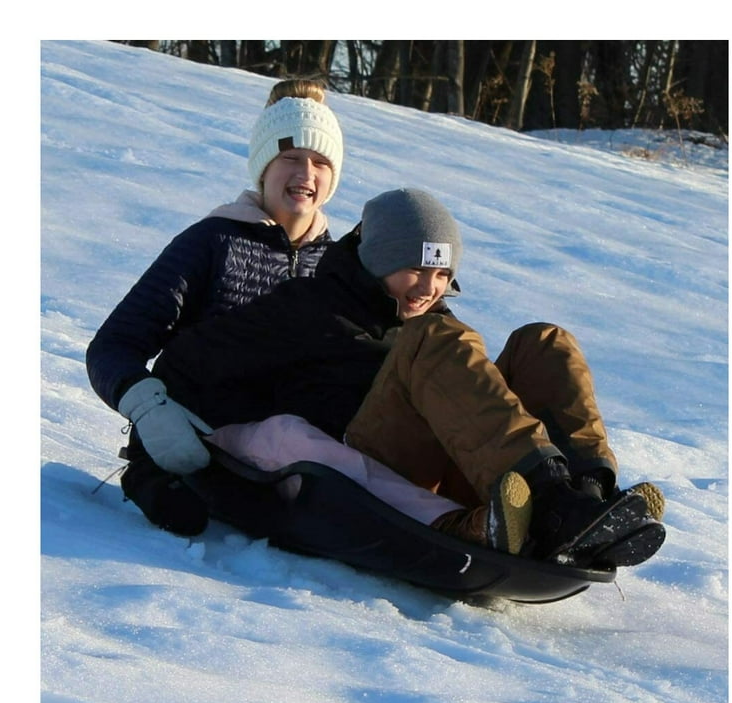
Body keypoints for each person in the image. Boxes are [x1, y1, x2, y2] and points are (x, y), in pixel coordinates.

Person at [126, 188, 664, 568]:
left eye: (441, 274)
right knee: (432, 339)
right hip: (363, 467)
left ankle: (588, 497)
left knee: (543, 340)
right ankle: (553, 505)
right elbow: (182, 368)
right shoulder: (309, 309)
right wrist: (153, 467)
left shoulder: (430, 321)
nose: (427, 286)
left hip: (449, 466)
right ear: (375, 259)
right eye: (414, 268)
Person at [86, 78, 344, 534]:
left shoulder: (340, 266)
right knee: (190, 513)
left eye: (320, 161)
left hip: (290, 452)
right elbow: (114, 345)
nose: (306, 173)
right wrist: (150, 409)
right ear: (264, 166)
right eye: (291, 158)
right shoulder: (212, 241)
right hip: (191, 439)